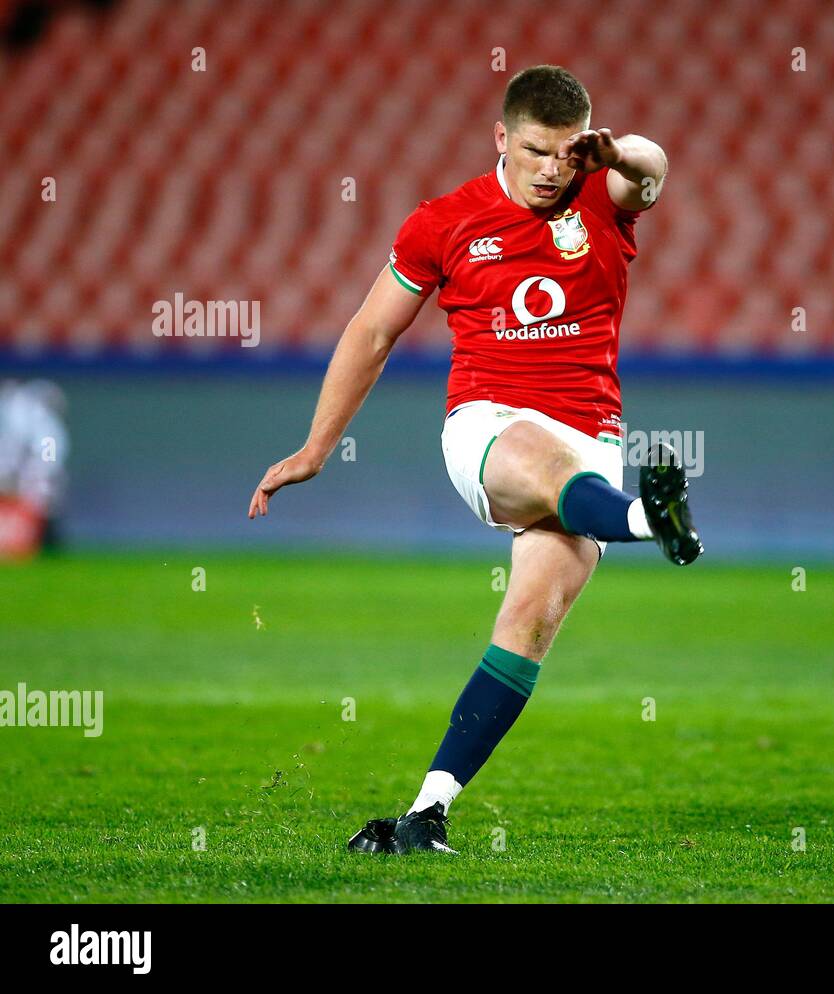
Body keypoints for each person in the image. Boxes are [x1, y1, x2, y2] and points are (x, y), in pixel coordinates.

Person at [247, 65, 701, 855]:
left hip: (589, 439)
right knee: (552, 469)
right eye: (535, 151)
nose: (552, 169)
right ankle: (644, 518)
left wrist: (616, 152)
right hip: (488, 428)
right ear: (501, 138)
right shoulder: (443, 223)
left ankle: (425, 814)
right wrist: (317, 447)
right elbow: (372, 332)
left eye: (567, 152)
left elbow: (654, 168)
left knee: (531, 619)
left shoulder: (602, 192)